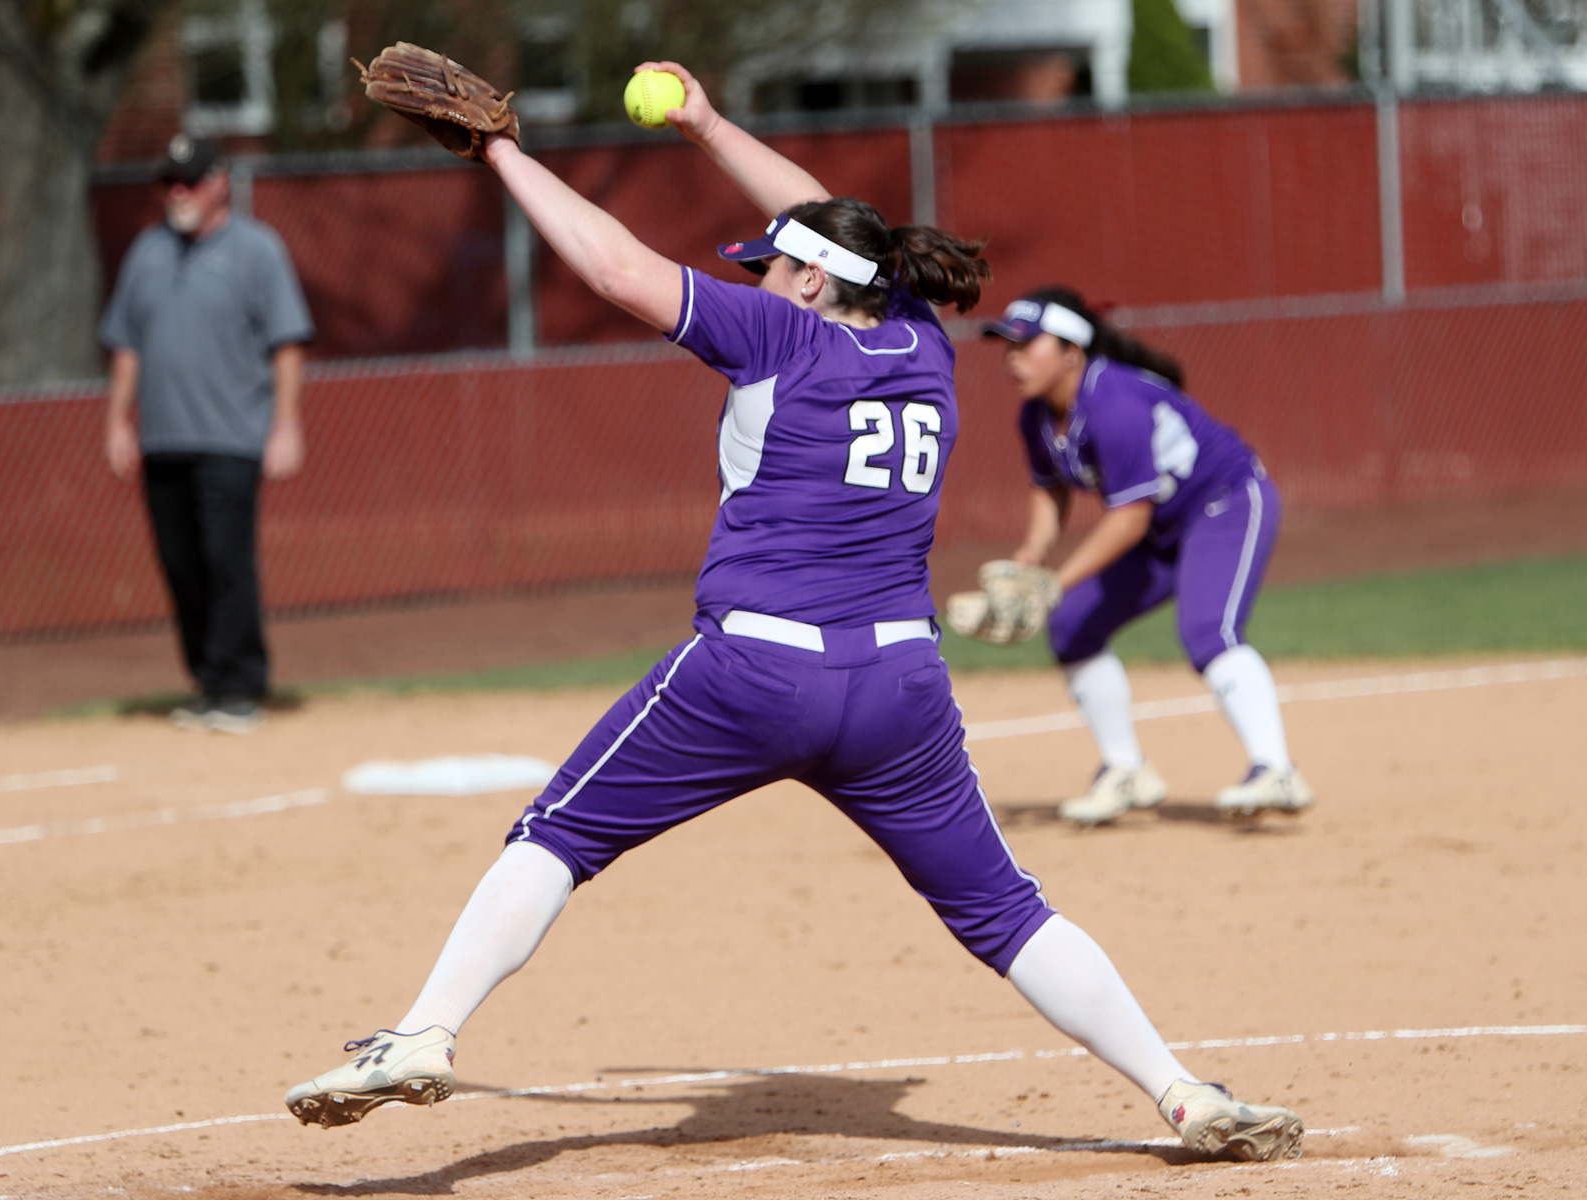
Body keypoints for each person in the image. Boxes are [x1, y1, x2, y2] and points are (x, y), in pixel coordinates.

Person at [284, 62, 1304, 1163]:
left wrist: (500, 155)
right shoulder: (921, 346)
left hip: (753, 674)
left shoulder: (779, 337)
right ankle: (1183, 1092)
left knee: (559, 834)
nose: (759, 277)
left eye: (772, 265)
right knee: (1007, 913)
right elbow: (841, 231)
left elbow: (620, 268)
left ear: (812, 285)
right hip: (900, 692)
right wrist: (708, 124)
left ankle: (425, 1033)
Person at [982, 289, 1314, 825]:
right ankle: (1126, 771)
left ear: (1072, 352)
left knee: (1209, 632)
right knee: (1071, 627)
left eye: (1026, 344)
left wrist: (1054, 582)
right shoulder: (1037, 417)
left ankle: (1276, 769)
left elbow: (1129, 517)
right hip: (1161, 526)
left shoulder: (1114, 405)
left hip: (1224, 501)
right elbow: (1050, 487)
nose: (1013, 358)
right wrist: (1034, 551)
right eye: (1007, 346)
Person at [100, 134, 314, 734]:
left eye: (189, 181)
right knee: (181, 566)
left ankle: (241, 683)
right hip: (163, 438)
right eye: (168, 182)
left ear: (220, 182)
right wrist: (118, 420)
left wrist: (286, 424)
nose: (177, 193)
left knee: (226, 561)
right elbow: (126, 345)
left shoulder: (256, 249)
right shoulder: (147, 251)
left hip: (232, 437)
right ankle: (208, 679)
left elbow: (287, 344)